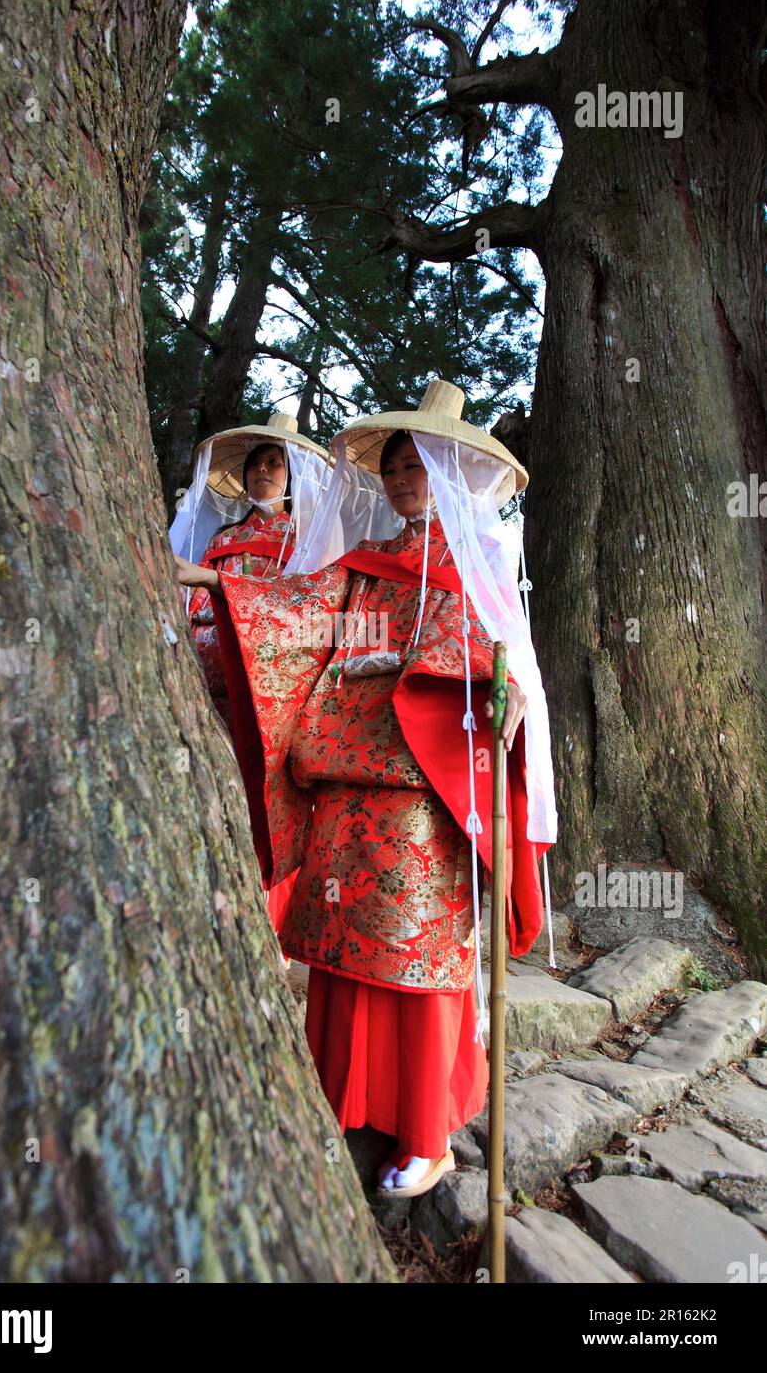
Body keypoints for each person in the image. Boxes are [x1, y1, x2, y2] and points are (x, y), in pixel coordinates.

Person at [173, 381, 556, 1199]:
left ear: (451, 471)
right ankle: (342, 1096)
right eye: (391, 466)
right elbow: (301, 611)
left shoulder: (482, 560)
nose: (399, 479)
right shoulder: (367, 565)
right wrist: (213, 587)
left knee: (411, 949)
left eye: (416, 465)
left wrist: (496, 682)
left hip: (421, 780)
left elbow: (497, 653)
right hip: (347, 775)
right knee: (344, 952)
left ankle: (428, 1134)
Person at [171, 410, 330, 934]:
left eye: (275, 463)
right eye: (256, 463)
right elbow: (191, 596)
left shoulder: (306, 543)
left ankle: (262, 925)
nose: (263, 471)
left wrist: (218, 587)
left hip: (266, 694)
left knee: (259, 803)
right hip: (204, 687)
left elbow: (300, 612)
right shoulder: (221, 537)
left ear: (293, 477)